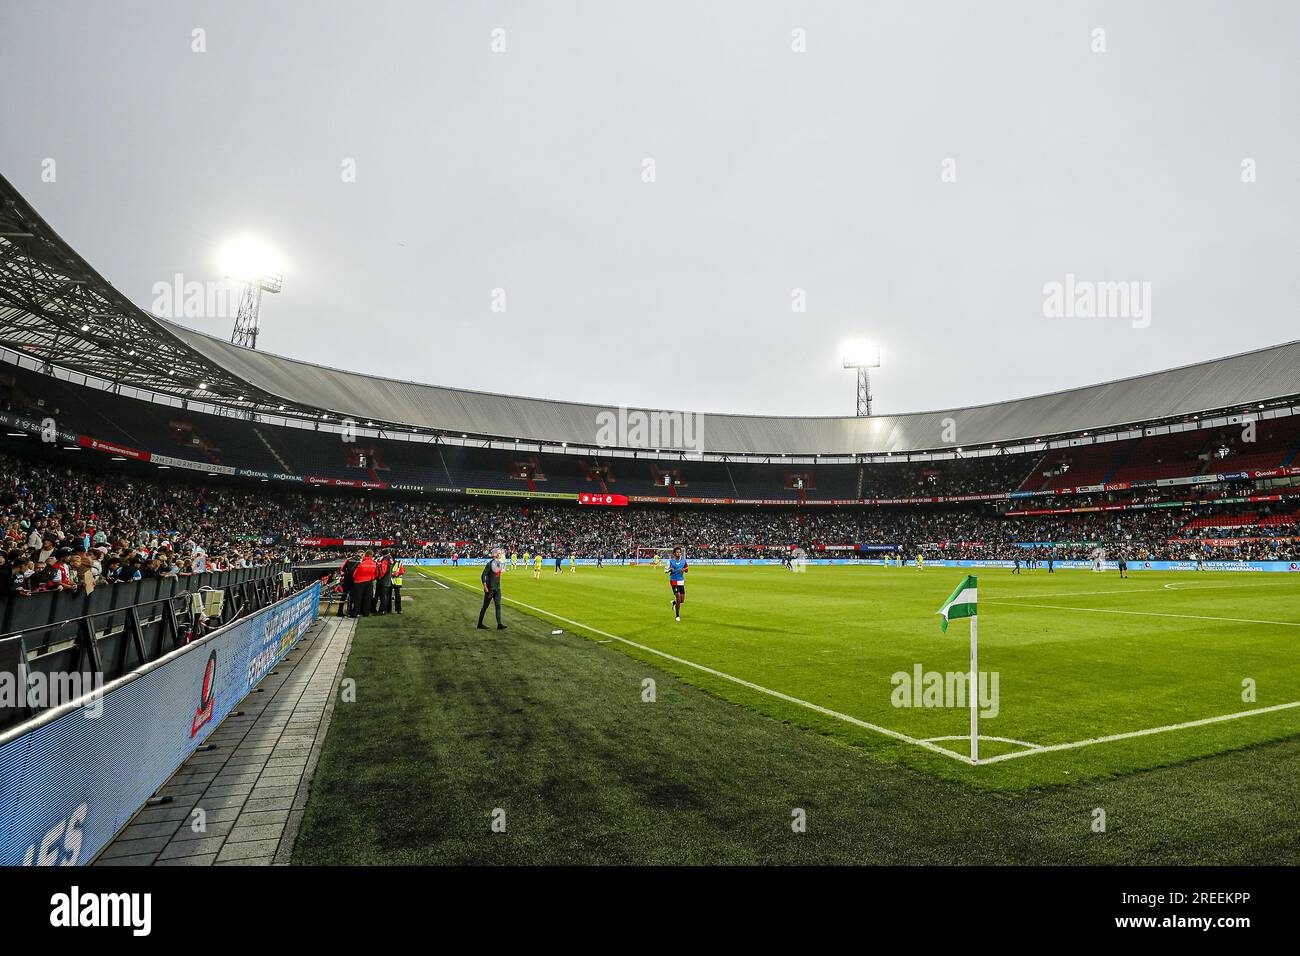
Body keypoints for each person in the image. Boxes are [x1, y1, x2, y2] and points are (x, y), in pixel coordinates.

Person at [478, 548, 507, 630]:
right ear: (494, 554)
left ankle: (499, 624)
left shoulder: (499, 564)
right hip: (490, 589)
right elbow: (483, 575)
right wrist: (485, 586)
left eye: (500, 553)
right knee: (485, 606)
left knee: (498, 606)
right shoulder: (489, 564)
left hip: (497, 589)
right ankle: (479, 624)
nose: (499, 554)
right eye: (498, 553)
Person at [351, 550, 379, 617]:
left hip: (359, 582)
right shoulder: (374, 563)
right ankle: (366, 613)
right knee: (368, 598)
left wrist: (356, 579)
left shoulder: (361, 563)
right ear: (371, 555)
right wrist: (371, 578)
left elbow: (354, 573)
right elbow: (376, 574)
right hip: (369, 582)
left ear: (365, 555)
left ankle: (355, 613)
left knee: (358, 598)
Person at [665, 546, 688, 622]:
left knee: (682, 600)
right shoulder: (670, 562)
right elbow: (665, 571)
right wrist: (669, 570)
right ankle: (677, 615)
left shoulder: (683, 561)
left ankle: (674, 603)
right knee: (678, 597)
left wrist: (684, 570)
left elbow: (686, 569)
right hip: (674, 580)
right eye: (677, 552)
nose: (679, 553)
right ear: (674, 553)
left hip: (681, 581)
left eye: (680, 552)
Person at [340, 550, 360, 617]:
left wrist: (345, 574)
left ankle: (340, 611)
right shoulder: (360, 561)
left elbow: (342, 570)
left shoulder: (348, 560)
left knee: (344, 595)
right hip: (354, 581)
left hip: (346, 580)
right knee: (353, 596)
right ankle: (350, 611)